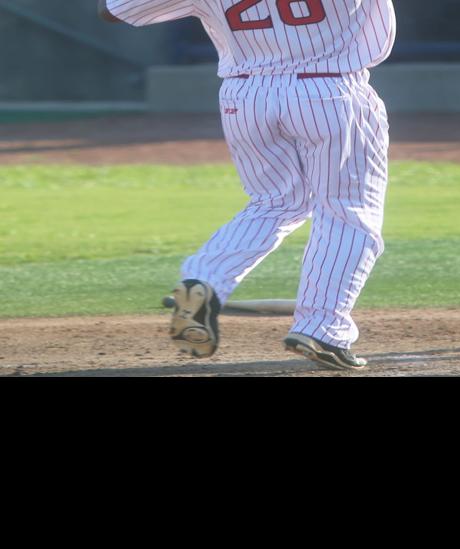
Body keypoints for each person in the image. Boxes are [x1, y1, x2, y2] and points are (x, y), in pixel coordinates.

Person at [98, 0, 396, 371]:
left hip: (246, 96)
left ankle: (204, 280)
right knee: (349, 211)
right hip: (330, 90)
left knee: (275, 202)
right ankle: (323, 328)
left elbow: (111, 10)